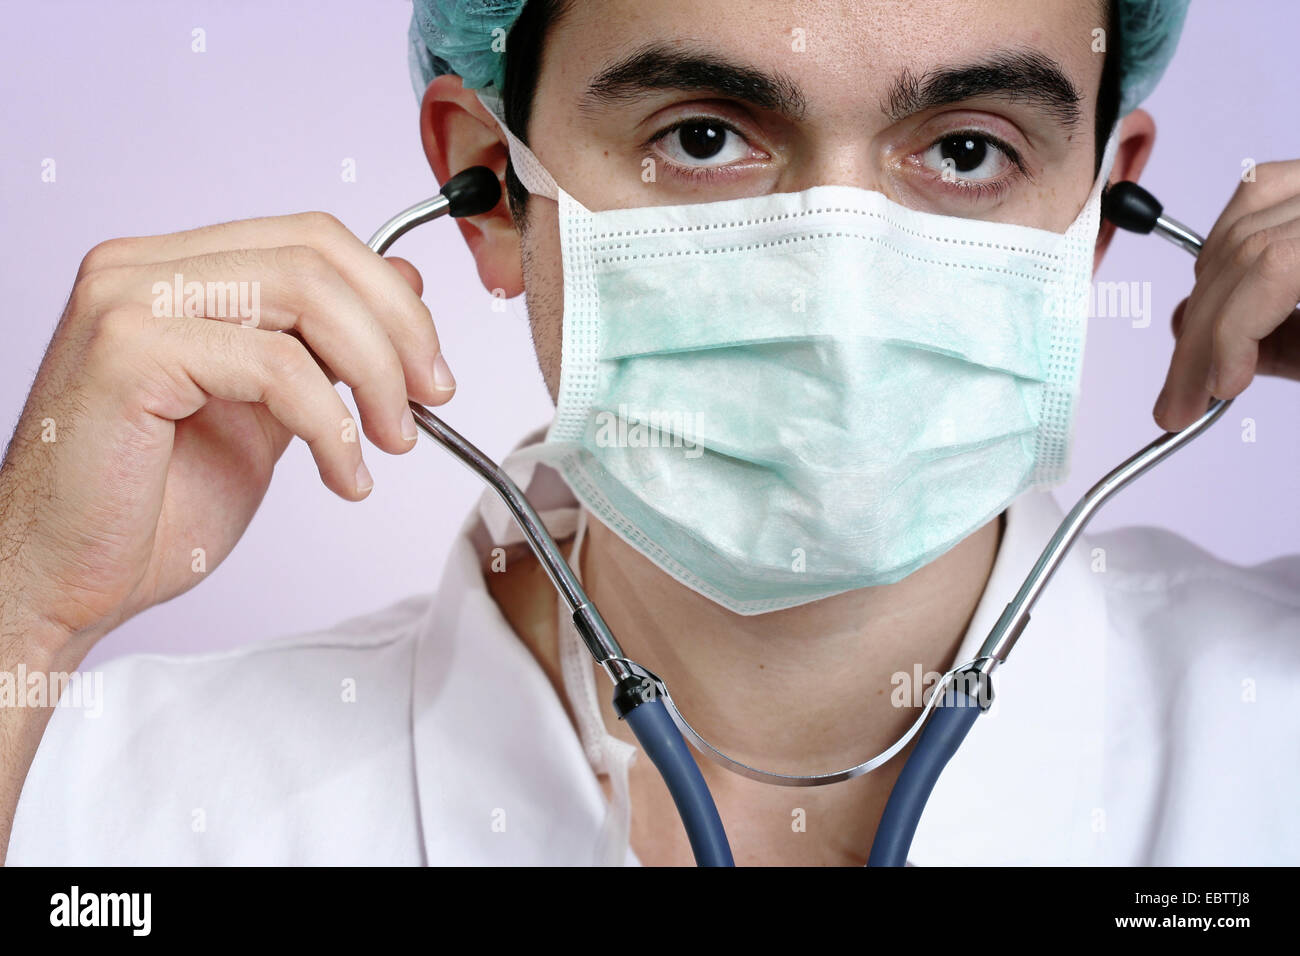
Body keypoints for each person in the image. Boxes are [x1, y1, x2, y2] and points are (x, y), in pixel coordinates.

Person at [2, 0, 1298, 866]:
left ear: (1108, 209)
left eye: (966, 150)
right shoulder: (108, 802)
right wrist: (24, 614)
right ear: (495, 190)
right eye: (705, 135)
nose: (834, 296)